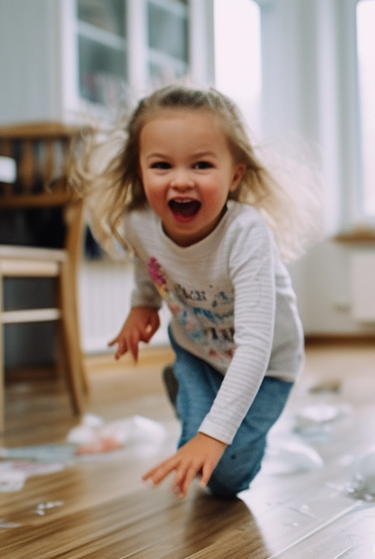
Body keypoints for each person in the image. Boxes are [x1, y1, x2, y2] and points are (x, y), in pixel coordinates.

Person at [81, 85, 317, 499]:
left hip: (266, 368)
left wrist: (214, 434)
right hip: (197, 354)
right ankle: (189, 391)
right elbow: (148, 261)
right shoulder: (139, 222)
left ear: (235, 174)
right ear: (140, 171)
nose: (181, 180)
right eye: (161, 165)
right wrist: (143, 305)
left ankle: (205, 416)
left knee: (225, 480)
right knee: (202, 464)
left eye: (202, 165)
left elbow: (255, 346)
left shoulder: (246, 234)